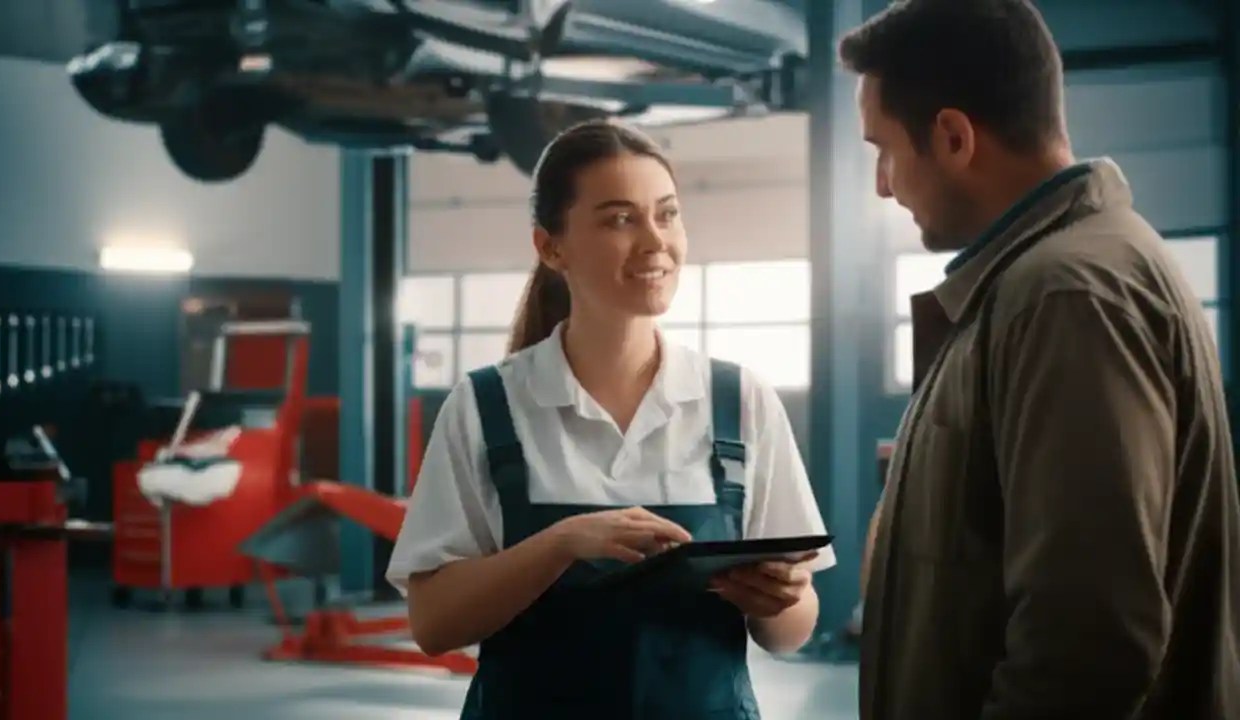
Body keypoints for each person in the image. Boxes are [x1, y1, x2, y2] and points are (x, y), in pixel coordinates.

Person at [839, 1, 1240, 719]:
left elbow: (1085, 644)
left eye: (884, 150)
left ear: (954, 137)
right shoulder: (1043, 282)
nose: (882, 184)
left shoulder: (1064, 296)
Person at [385, 118, 837, 719]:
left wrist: (783, 597)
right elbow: (433, 623)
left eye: (667, 215)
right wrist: (560, 544)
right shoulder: (487, 407)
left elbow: (789, 633)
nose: (655, 242)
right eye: (620, 219)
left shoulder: (740, 401)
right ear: (551, 247)